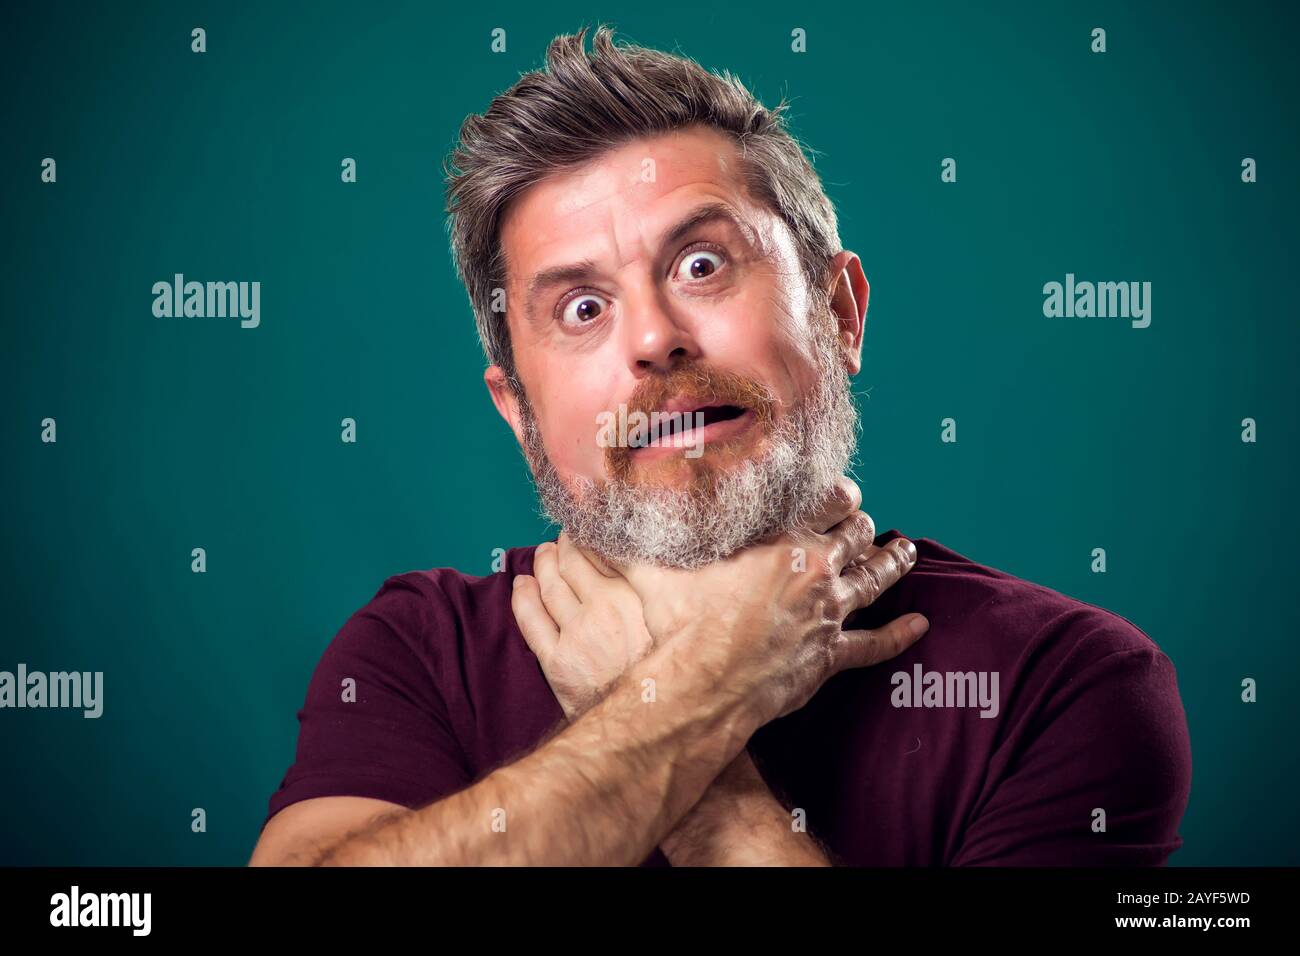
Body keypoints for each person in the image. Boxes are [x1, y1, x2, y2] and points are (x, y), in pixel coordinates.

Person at [249, 24, 1191, 867]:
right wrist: (702, 684)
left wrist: (703, 760)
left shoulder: (1065, 684)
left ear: (839, 312)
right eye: (582, 308)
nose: (654, 338)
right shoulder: (419, 651)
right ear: (518, 411)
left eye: (702, 264)